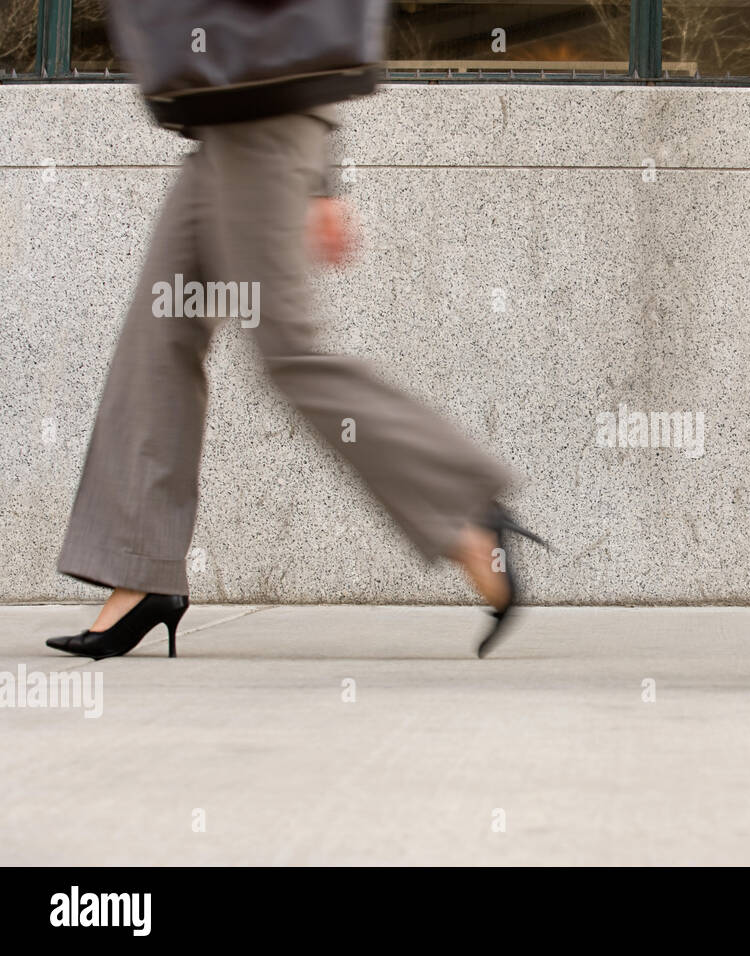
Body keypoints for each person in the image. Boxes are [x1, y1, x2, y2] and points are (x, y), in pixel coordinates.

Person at [47, 2, 543, 662]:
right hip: (219, 122)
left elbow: (284, 27)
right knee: (156, 340)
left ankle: (463, 509)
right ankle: (141, 575)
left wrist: (320, 176)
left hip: (261, 121)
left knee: (290, 353)